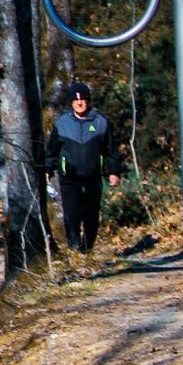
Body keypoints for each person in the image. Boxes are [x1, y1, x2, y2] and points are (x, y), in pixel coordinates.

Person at [45, 84, 120, 255]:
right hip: (69, 179)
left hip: (93, 178)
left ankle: (87, 249)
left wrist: (114, 172)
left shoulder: (100, 123)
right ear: (71, 102)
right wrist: (47, 170)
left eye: (83, 99)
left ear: (88, 101)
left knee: (91, 216)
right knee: (72, 215)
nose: (80, 103)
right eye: (76, 100)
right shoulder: (62, 124)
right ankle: (74, 249)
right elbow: (52, 151)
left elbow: (111, 151)